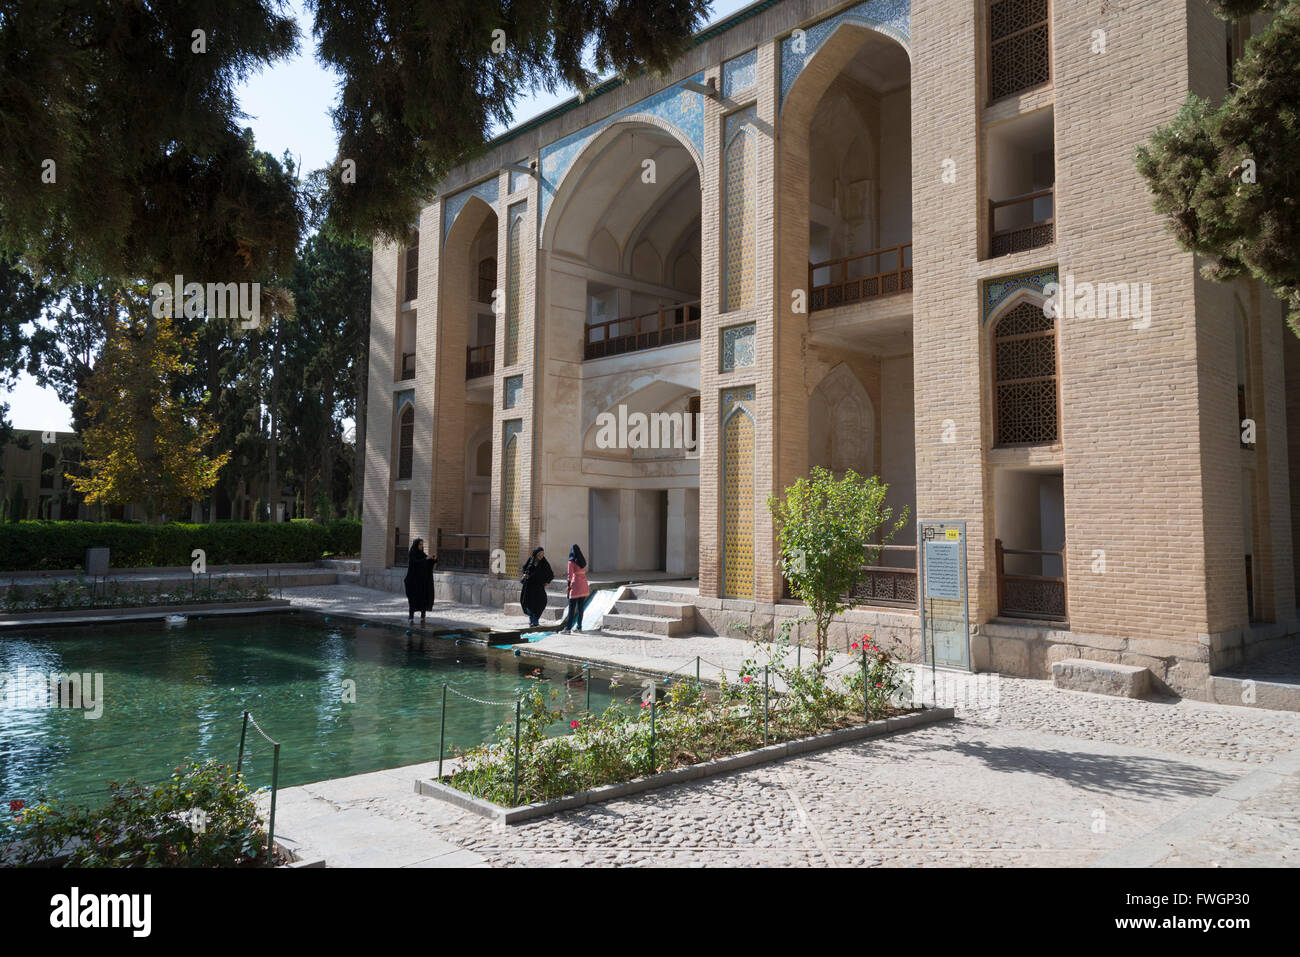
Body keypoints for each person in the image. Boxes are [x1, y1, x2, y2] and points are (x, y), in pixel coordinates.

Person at [403, 538, 436, 625]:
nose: (421, 546)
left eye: (422, 544)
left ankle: (422, 617)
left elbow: (427, 563)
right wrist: (426, 559)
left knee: (423, 598)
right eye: (420, 544)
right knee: (413, 599)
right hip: (413, 582)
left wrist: (433, 560)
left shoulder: (422, 554)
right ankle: (411, 617)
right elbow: (415, 563)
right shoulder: (412, 554)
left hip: (422, 581)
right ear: (416, 545)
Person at [519, 546, 553, 628]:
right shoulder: (531, 560)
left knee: (542, 602)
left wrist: (546, 582)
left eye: (542, 554)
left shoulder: (544, 562)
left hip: (538, 587)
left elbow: (550, 574)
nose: (541, 556)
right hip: (529, 587)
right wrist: (524, 574)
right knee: (529, 603)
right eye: (539, 554)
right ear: (536, 555)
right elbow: (524, 568)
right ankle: (533, 621)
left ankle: (535, 619)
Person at [559, 544, 590, 634]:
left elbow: (570, 575)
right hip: (584, 585)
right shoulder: (583, 561)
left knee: (572, 608)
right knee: (580, 608)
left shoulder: (571, 561)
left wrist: (568, 586)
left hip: (575, 585)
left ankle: (568, 629)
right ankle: (579, 627)